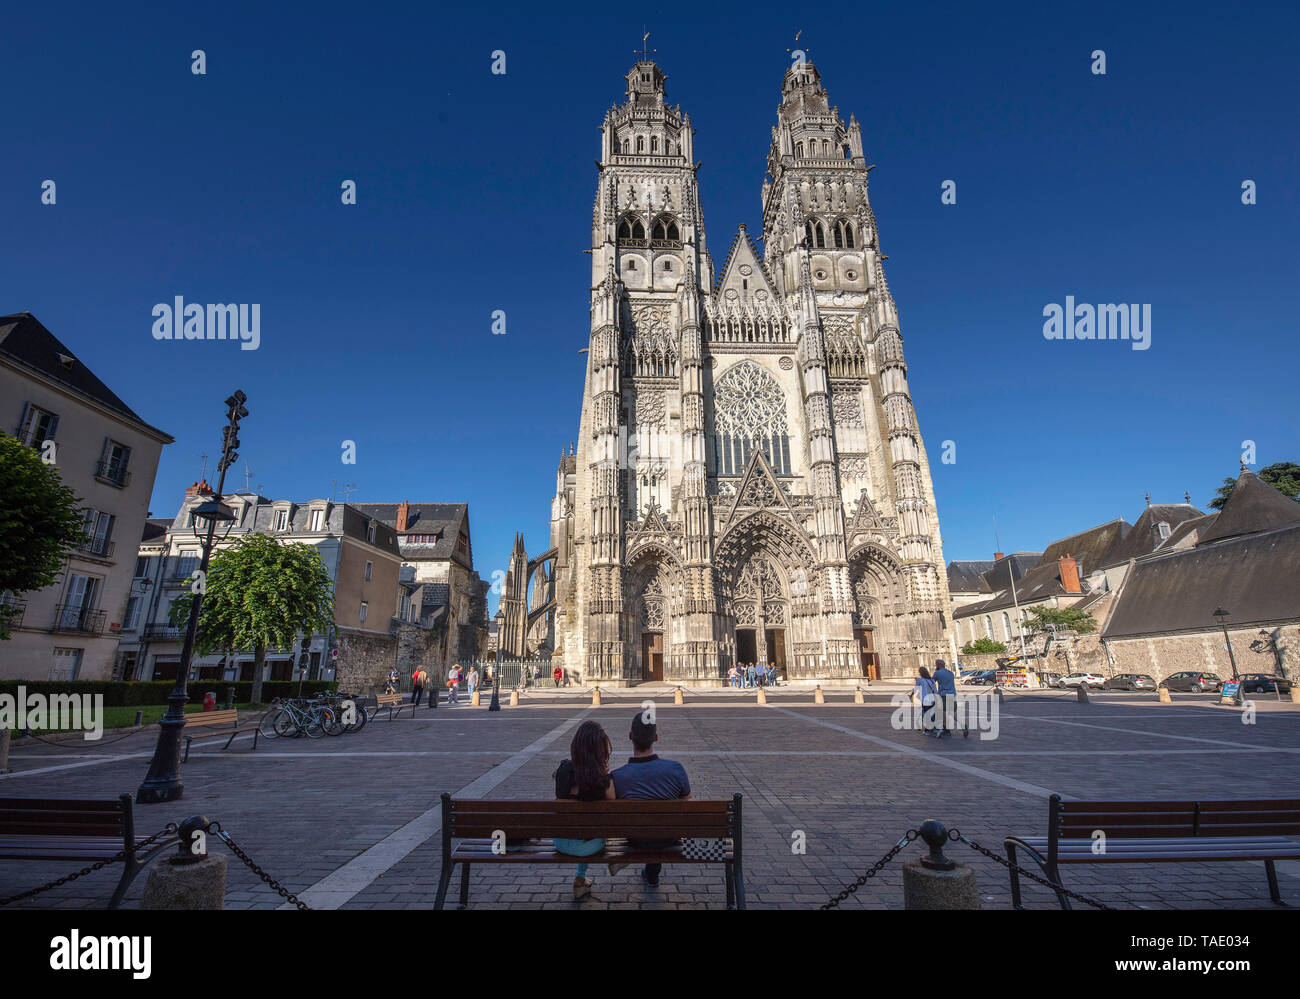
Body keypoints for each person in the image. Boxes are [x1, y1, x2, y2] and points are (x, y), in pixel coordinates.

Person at [611, 712, 691, 888]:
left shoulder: (617, 777)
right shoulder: (675, 769)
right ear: (656, 738)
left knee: (647, 823)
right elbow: (686, 802)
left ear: (630, 736)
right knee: (660, 822)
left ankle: (651, 872)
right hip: (668, 837)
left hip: (635, 838)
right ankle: (652, 873)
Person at [553, 720, 623, 900]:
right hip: (590, 846)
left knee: (579, 827)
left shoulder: (563, 771)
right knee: (591, 831)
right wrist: (606, 775)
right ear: (601, 748)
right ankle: (582, 877)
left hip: (560, 842)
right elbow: (612, 808)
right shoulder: (603, 778)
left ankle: (580, 880)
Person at [933, 659, 957, 737]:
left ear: (938, 665)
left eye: (936, 665)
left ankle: (945, 729)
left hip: (943, 694)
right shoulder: (951, 673)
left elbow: (932, 682)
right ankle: (949, 728)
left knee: (942, 712)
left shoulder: (937, 673)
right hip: (952, 694)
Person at [911, 666, 938, 736]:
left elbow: (916, 689)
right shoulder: (931, 680)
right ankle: (933, 727)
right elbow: (935, 690)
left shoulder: (919, 680)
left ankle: (927, 730)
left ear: (920, 673)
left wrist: (911, 694)